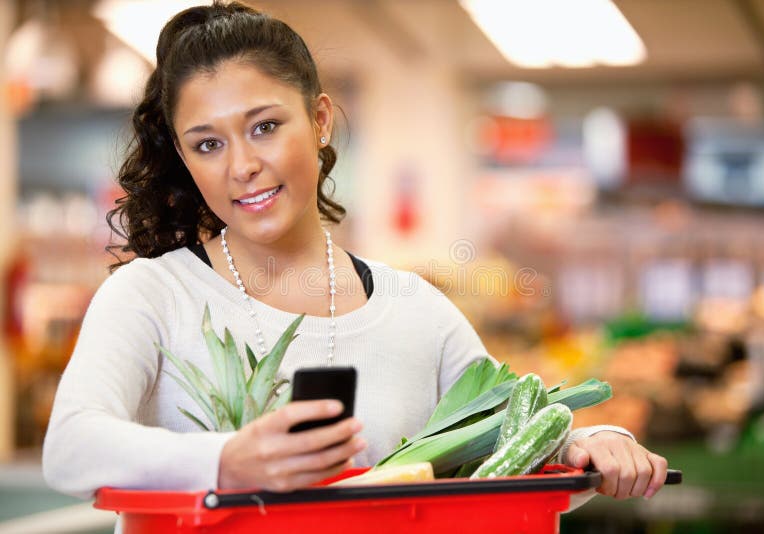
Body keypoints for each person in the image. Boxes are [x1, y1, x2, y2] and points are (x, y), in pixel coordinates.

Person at [42, 0, 668, 505]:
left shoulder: (415, 310)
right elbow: (69, 447)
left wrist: (593, 438)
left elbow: (511, 439)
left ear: (318, 121)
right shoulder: (152, 296)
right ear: (183, 156)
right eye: (207, 144)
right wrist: (226, 461)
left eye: (265, 126)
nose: (243, 167)